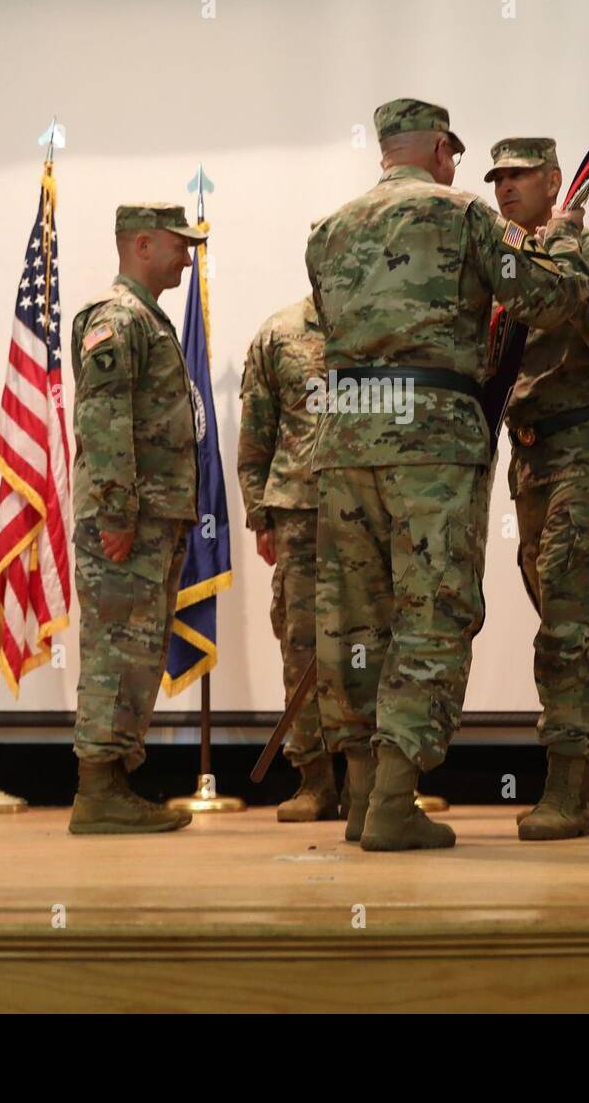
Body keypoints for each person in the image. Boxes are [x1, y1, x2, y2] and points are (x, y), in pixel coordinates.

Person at [305, 99, 589, 852]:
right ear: (437, 148)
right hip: (428, 436)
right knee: (432, 609)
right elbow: (540, 298)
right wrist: (559, 243)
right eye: (454, 155)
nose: (457, 168)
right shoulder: (464, 216)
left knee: (355, 618)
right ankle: (396, 803)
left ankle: (363, 796)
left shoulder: (329, 231)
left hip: (344, 434)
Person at [487, 138, 589, 840]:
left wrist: (569, 276)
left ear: (556, 181)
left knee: (565, 626)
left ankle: (564, 792)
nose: (506, 189)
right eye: (498, 178)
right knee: (572, 625)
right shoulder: (499, 267)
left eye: (520, 176)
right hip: (528, 458)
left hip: (588, 447)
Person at [67, 202, 206, 835]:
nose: (188, 255)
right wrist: (118, 513)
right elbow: (103, 423)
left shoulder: (146, 320)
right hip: (127, 522)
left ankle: (113, 783)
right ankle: (98, 790)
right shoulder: (118, 320)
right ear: (143, 245)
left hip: (153, 520)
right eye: (180, 244)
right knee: (114, 651)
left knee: (137, 650)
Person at [237, 295, 338, 821]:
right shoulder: (278, 335)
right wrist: (260, 514)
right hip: (298, 514)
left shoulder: (379, 328)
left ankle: (377, 777)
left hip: (370, 512)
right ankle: (315, 780)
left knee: (377, 645)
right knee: (302, 646)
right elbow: (256, 432)